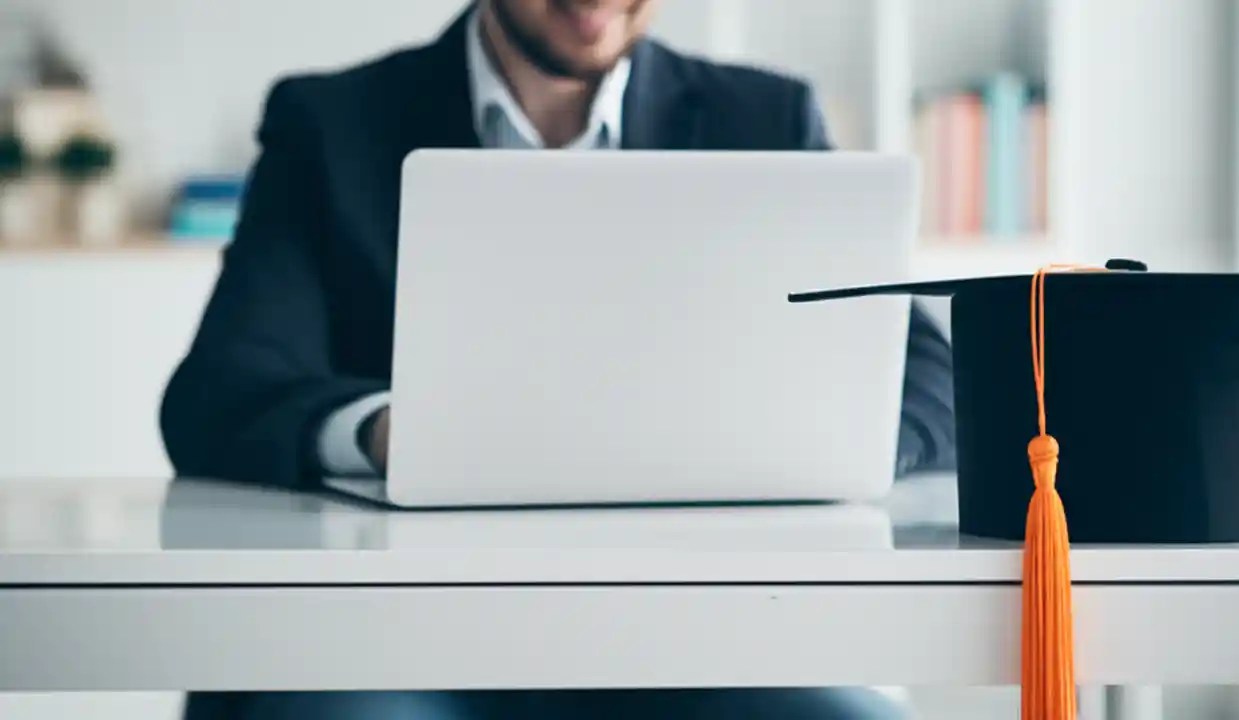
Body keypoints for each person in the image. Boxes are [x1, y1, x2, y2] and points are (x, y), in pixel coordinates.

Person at [164, 1, 955, 718]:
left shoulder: (768, 117)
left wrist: (824, 442)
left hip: (702, 643)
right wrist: (382, 433)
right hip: (396, 638)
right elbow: (220, 393)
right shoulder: (331, 124)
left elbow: (929, 380)